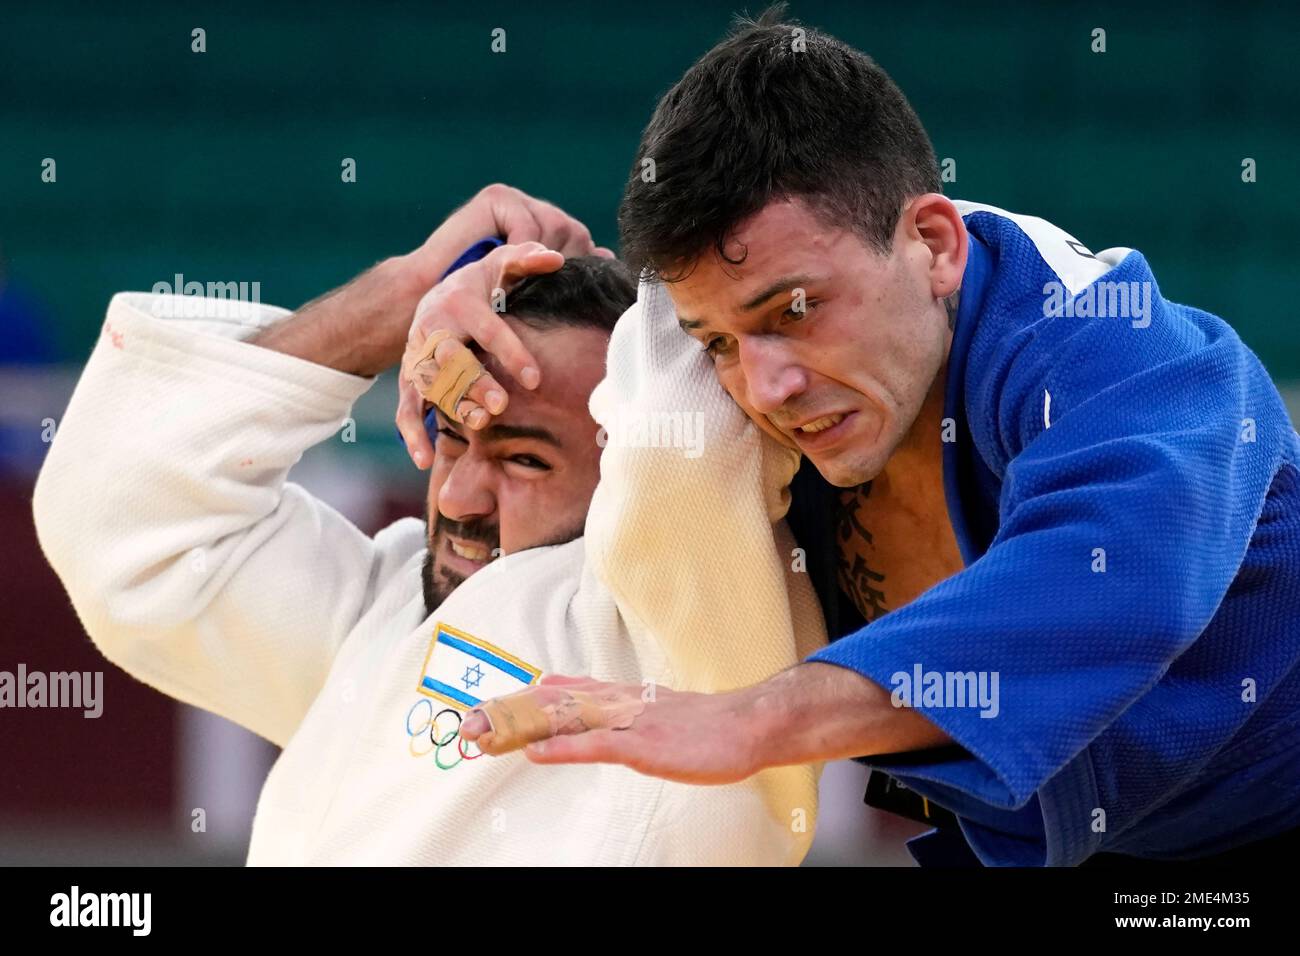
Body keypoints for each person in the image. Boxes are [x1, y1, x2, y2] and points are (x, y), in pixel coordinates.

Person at [455, 11, 1300, 867]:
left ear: (933, 245)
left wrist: (756, 718)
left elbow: (1124, 563)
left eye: (796, 310)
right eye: (718, 342)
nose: (765, 387)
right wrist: (460, 299)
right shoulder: (728, 369)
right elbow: (619, 341)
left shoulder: (1111, 347)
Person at [32, 185, 825, 865]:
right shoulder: (378, 617)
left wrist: (630, 287)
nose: (459, 499)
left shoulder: (693, 637)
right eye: (450, 436)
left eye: (524, 459)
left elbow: (681, 434)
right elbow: (116, 511)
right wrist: (408, 294)